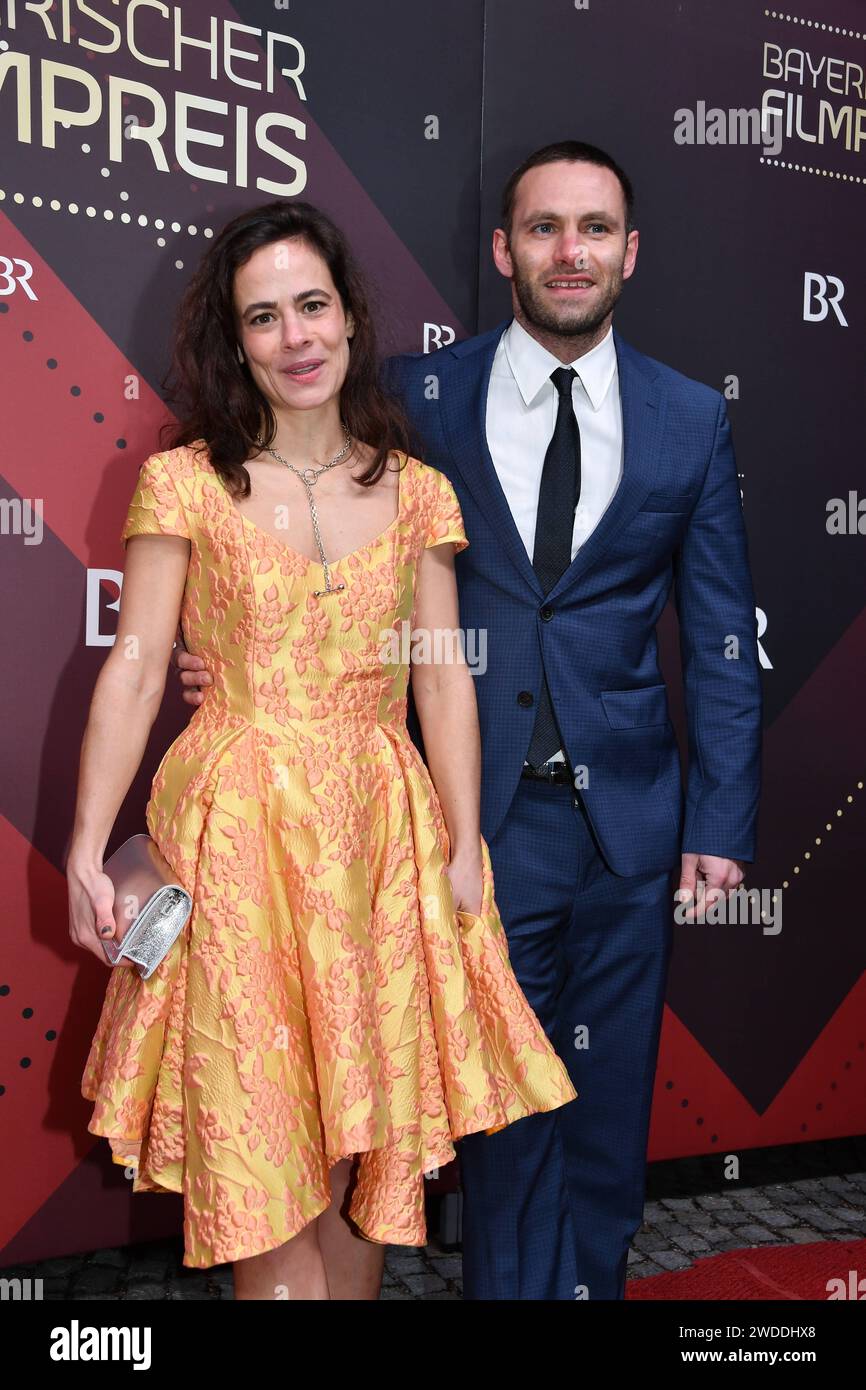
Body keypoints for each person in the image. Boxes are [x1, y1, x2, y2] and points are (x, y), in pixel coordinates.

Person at [176, 141, 763, 1301]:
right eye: (542, 228)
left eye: (593, 228)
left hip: (630, 828)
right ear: (503, 251)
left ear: (628, 252)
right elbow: (300, 517)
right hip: (465, 822)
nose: (569, 252)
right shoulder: (413, 397)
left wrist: (722, 817)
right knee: (493, 1121)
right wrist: (237, 656)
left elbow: (717, 635)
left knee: (603, 1110)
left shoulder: (688, 418)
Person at [66, 199, 577, 1301]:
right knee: (261, 1134)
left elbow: (441, 676)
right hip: (236, 840)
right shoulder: (186, 483)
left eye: (311, 305)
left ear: (348, 317)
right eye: (263, 317)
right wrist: (80, 843)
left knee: (363, 1149)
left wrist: (460, 844)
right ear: (235, 341)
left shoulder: (417, 493)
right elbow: (137, 668)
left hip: (378, 841)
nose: (294, 337)